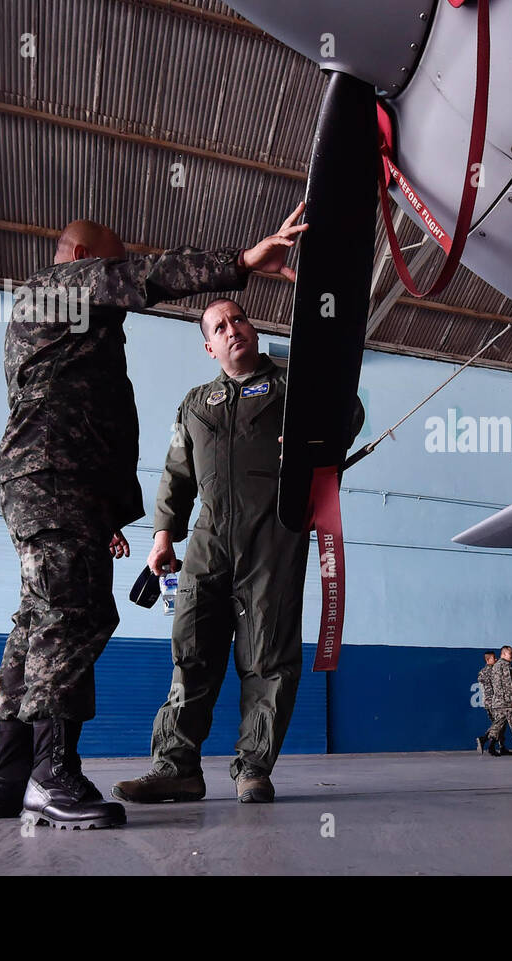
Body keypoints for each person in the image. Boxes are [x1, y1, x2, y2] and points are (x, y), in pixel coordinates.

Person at [0, 206, 309, 830]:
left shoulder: (68, 324)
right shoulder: (59, 289)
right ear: (81, 259)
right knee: (71, 615)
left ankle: (8, 773)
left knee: (34, 619)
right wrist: (239, 262)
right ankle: (53, 775)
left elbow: (78, 408)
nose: (117, 274)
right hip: (56, 478)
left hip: (56, 483)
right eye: (109, 261)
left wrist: (106, 511)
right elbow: (148, 276)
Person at [112, 298, 363, 805]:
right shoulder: (196, 402)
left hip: (273, 534)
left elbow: (349, 410)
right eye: (220, 327)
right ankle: (175, 768)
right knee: (191, 652)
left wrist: (314, 441)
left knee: (267, 655)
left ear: (251, 327)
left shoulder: (294, 384)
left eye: (239, 319)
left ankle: (254, 768)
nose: (232, 330)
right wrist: (164, 534)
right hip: (208, 539)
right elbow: (177, 471)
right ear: (210, 347)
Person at [476, 651, 511, 755]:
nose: (496, 660)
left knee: (499, 724)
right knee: (499, 724)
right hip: (495, 702)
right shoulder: (493, 670)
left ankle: (501, 747)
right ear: (487, 660)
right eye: (493, 658)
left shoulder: (481, 672)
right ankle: (485, 740)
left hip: (487, 702)